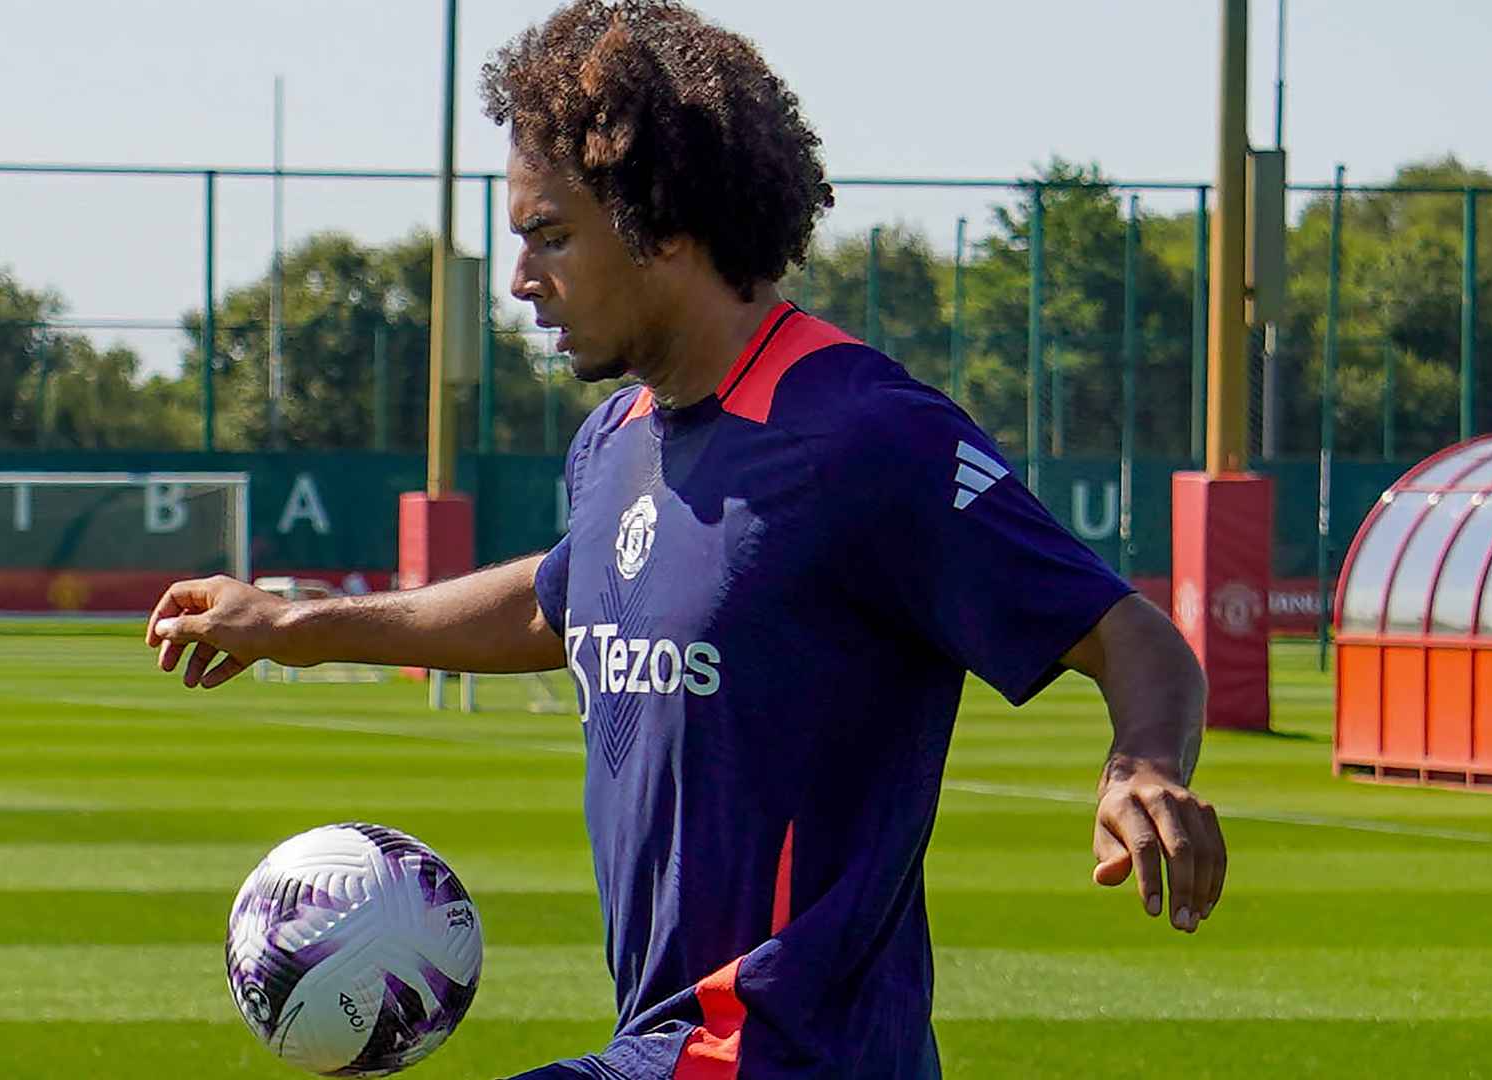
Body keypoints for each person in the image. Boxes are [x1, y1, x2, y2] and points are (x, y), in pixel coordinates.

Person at [147, 2, 1226, 1076]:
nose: (521, 280)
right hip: (669, 1044)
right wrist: (297, 626)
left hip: (792, 1053)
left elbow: (1128, 634)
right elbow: (556, 603)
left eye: (549, 236)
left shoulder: (865, 436)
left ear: (659, 218)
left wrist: (1141, 770)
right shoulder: (616, 441)